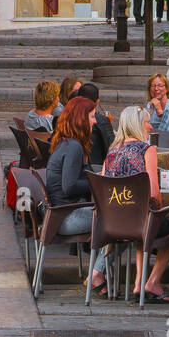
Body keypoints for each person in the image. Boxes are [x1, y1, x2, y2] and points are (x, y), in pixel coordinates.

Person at [102, 106, 169, 302]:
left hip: (111, 224)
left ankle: (138, 283)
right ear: (137, 125)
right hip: (140, 223)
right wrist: (160, 208)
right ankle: (151, 282)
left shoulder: (111, 152)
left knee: (144, 223)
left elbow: (103, 189)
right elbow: (154, 194)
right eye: (147, 122)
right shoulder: (147, 149)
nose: (151, 126)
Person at [46, 97, 106, 294]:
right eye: (91, 116)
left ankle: (98, 273)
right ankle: (97, 275)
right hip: (66, 217)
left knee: (120, 220)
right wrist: (96, 180)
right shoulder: (73, 147)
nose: (95, 121)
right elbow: (69, 186)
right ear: (81, 119)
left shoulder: (65, 142)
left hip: (59, 215)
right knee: (123, 221)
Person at [74, 82, 114, 169]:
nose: (94, 121)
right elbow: (112, 149)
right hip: (95, 171)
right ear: (97, 102)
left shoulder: (65, 117)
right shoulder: (101, 121)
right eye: (92, 117)